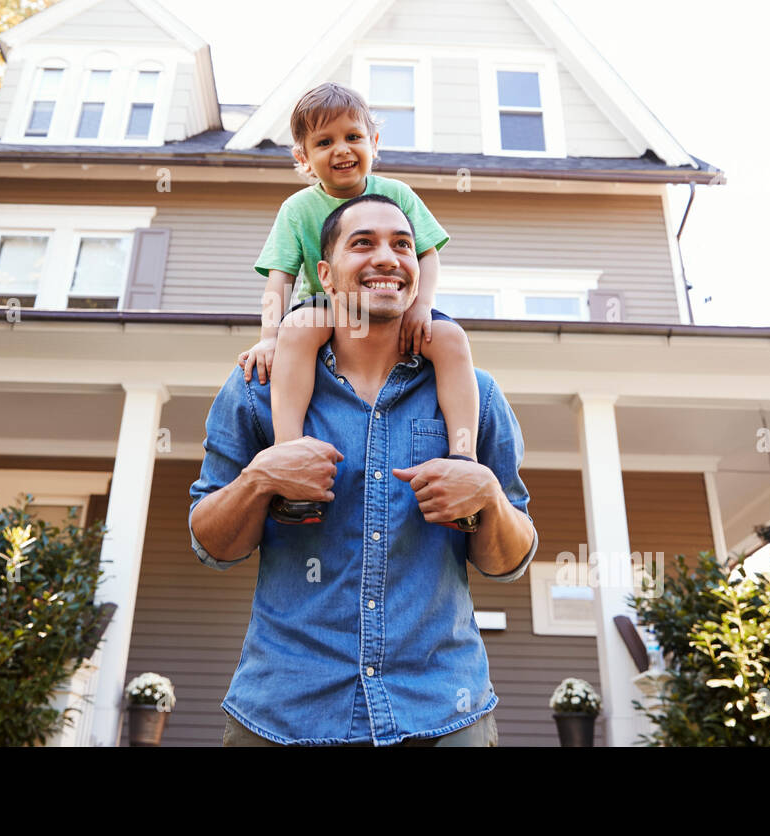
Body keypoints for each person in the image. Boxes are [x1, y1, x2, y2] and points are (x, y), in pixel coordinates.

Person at [190, 195, 538, 746]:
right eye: (363, 243)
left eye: (402, 244)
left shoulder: (474, 394)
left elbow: (510, 560)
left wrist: (489, 497)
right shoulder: (258, 389)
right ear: (325, 275)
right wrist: (262, 478)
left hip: (442, 712)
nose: (388, 257)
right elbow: (212, 544)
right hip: (283, 713)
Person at [237, 82, 481, 524]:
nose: (342, 150)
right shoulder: (297, 209)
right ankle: (289, 455)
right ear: (303, 158)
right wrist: (269, 338)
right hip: (326, 307)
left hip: (393, 307)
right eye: (324, 142)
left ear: (374, 143)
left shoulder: (399, 194)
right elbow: (280, 279)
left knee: (449, 338)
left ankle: (462, 461)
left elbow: (428, 253)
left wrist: (422, 306)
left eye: (353, 137)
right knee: (299, 329)